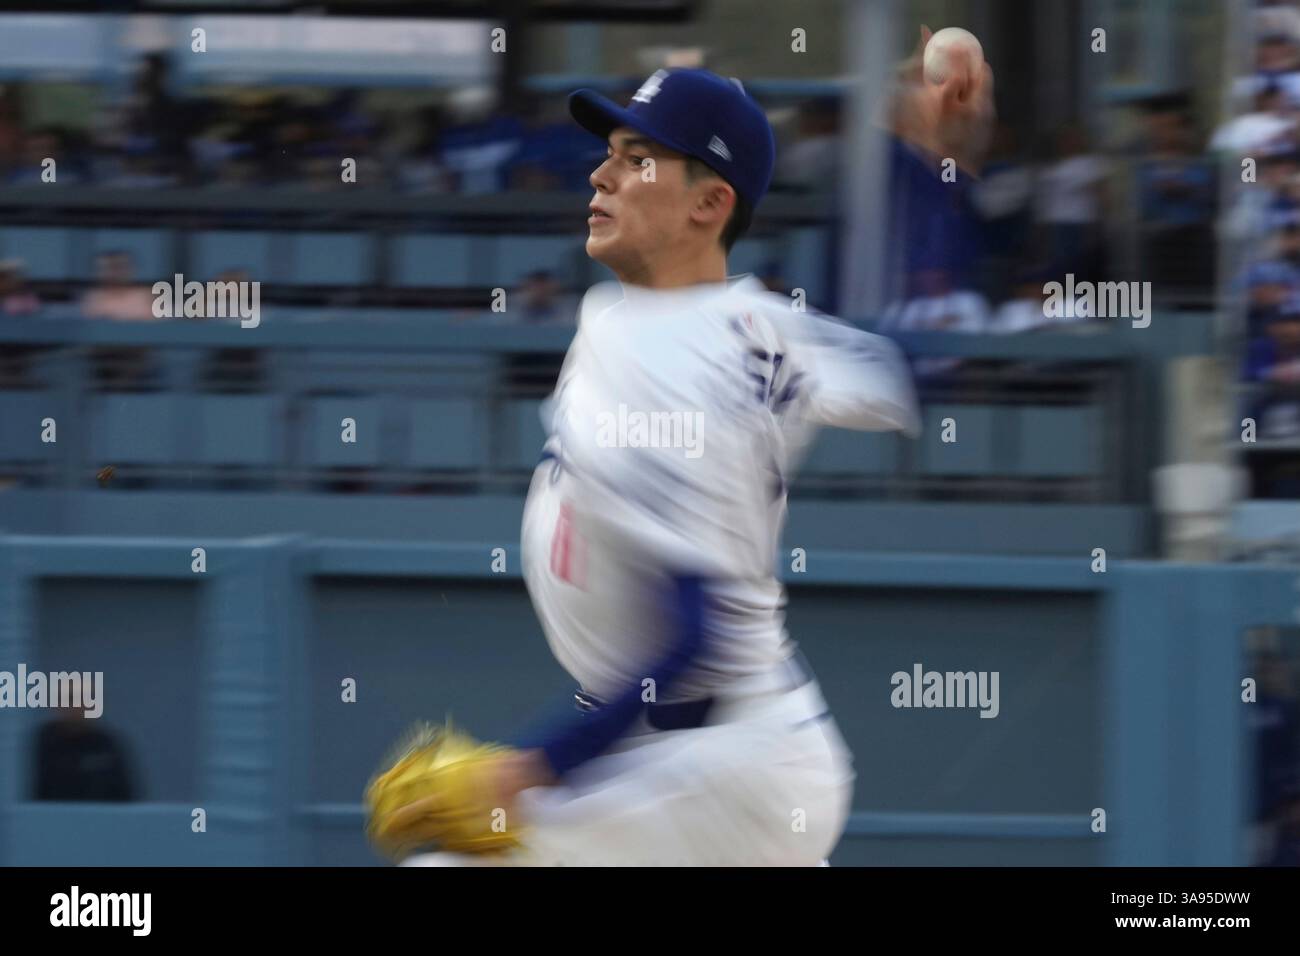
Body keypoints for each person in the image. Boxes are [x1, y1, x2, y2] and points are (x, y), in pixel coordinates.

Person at [389, 44, 992, 867]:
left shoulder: (672, 357)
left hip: (723, 764)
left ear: (710, 203)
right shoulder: (754, 321)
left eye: (638, 161)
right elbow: (907, 371)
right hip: (728, 758)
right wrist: (930, 164)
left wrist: (531, 771)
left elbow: (693, 637)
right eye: (609, 154)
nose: (601, 176)